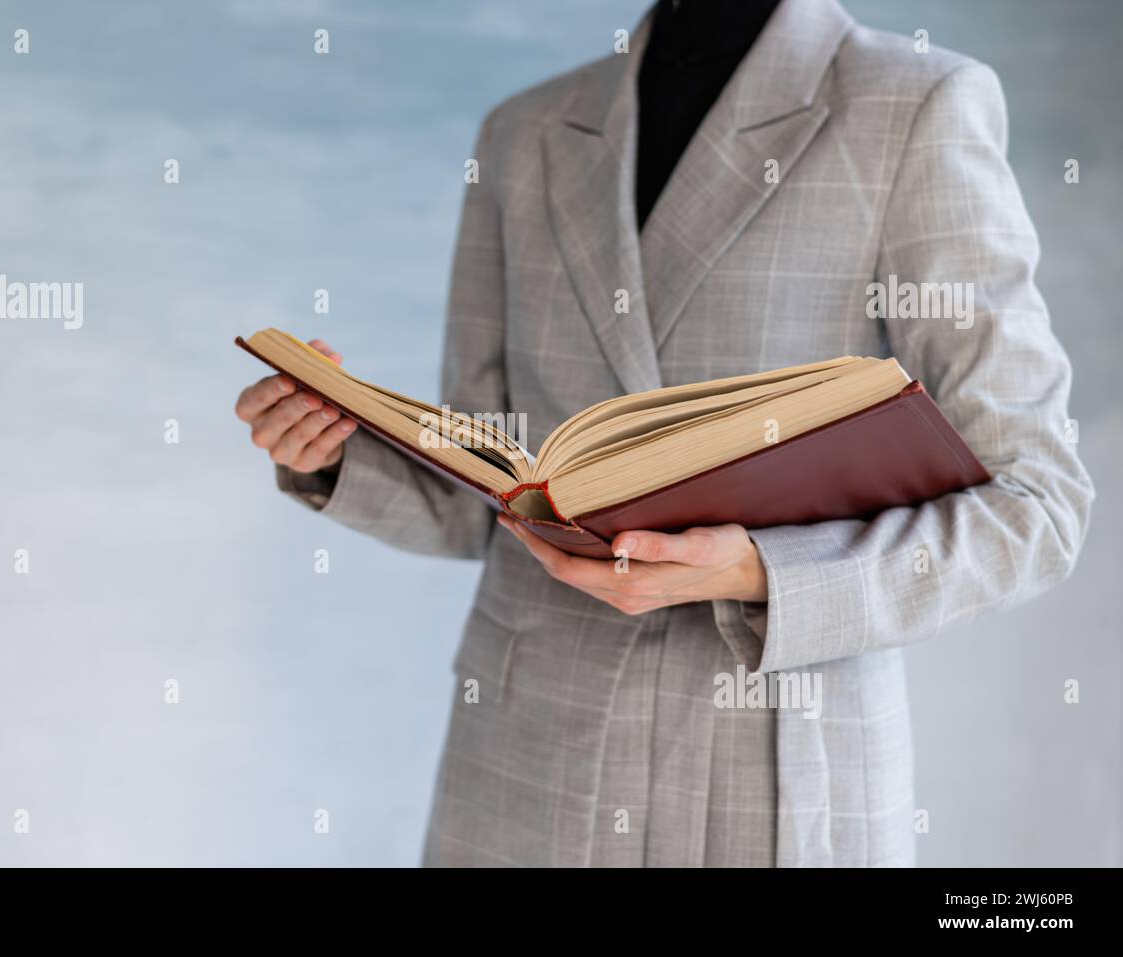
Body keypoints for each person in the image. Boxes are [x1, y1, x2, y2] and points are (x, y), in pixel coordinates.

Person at [234, 0, 1093, 866]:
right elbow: (484, 498)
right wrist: (334, 452)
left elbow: (1038, 502)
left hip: (774, 769)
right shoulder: (522, 134)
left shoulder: (918, 103)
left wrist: (768, 575)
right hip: (525, 769)